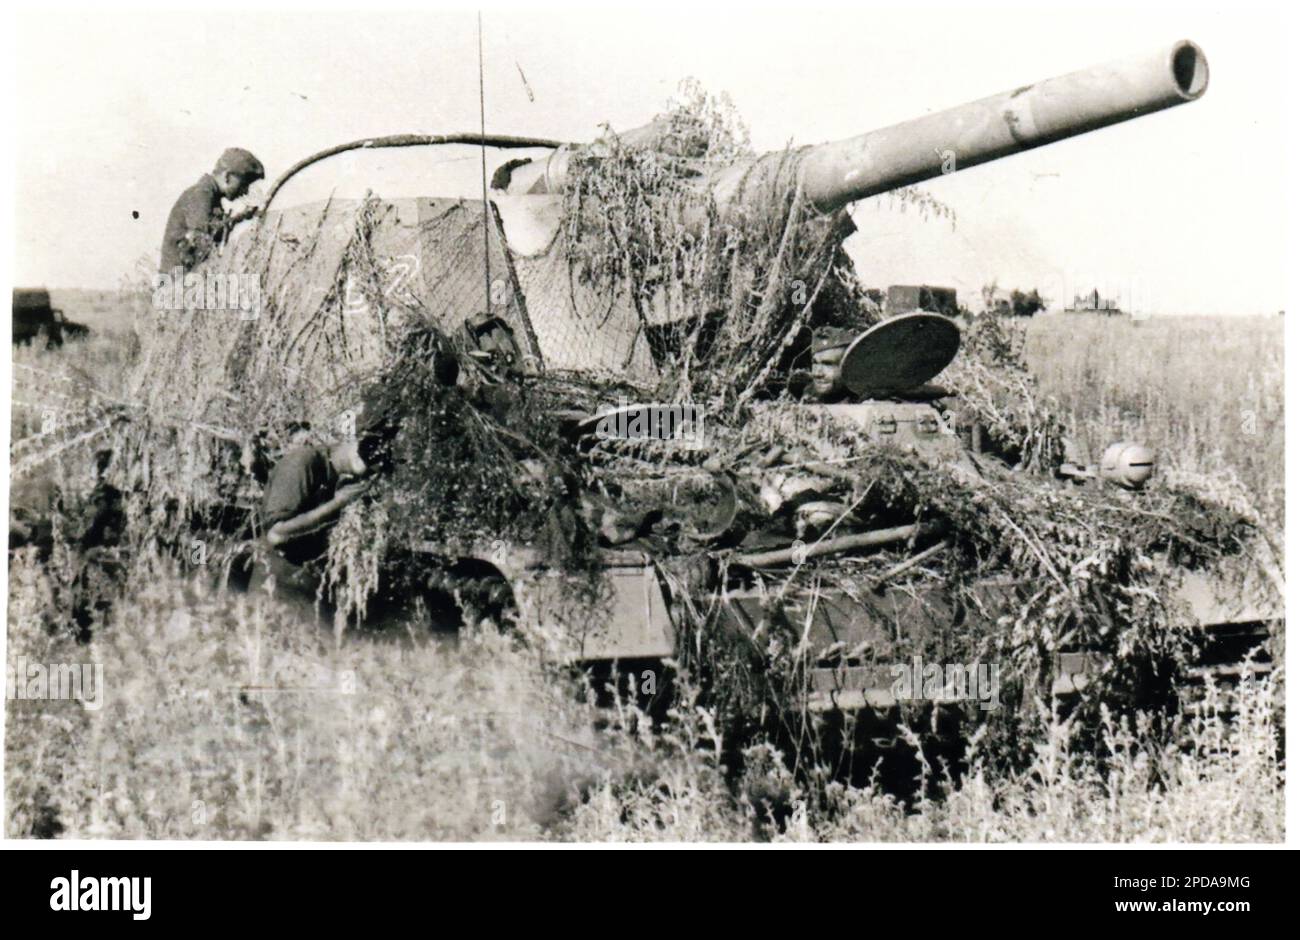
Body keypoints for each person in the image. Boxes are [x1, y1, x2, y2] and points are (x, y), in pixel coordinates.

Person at [249, 392, 399, 619]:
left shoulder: (341, 477)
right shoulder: (302, 463)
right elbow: (276, 534)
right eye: (371, 450)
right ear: (353, 438)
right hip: (276, 584)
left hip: (304, 586)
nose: (375, 464)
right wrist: (338, 503)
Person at [159, 148, 265, 274]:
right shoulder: (201, 195)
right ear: (227, 177)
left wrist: (239, 218)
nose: (245, 191)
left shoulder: (209, 196)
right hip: (178, 283)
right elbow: (204, 237)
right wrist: (237, 218)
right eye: (243, 184)